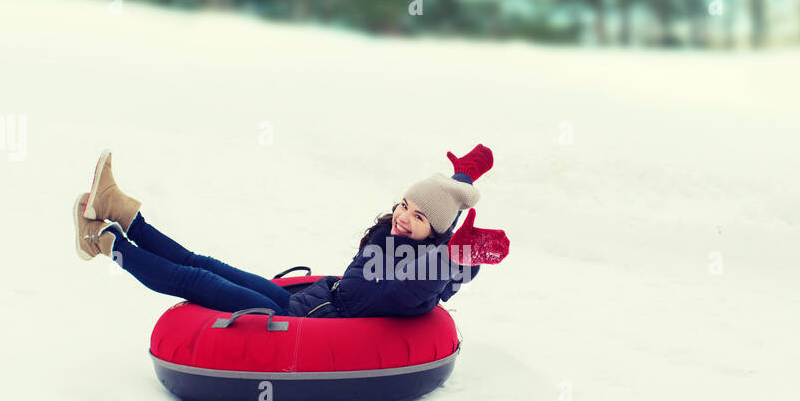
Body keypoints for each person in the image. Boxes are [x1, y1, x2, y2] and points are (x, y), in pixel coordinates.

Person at [72, 145, 508, 318]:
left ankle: (106, 243)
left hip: (302, 321)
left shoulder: (418, 276)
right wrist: (462, 179)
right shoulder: (401, 235)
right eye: (405, 205)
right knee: (204, 263)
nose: (403, 216)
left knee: (196, 281)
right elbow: (443, 210)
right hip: (311, 298)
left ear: (435, 235)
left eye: (417, 217)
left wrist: (460, 257)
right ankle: (123, 214)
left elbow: (426, 279)